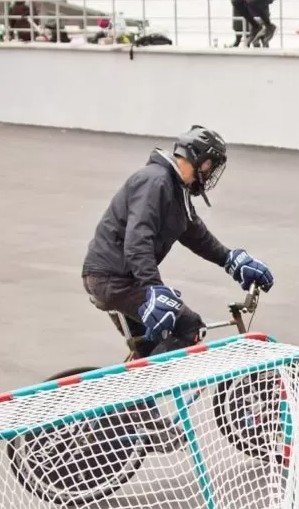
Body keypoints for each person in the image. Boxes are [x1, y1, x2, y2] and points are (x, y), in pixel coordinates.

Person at [81, 126, 275, 357]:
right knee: (190, 327)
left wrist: (230, 259)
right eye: (211, 165)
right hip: (113, 279)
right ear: (200, 160)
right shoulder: (156, 181)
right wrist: (154, 287)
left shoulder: (173, 187)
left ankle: (142, 390)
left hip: (118, 278)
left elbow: (195, 234)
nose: (211, 173)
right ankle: (141, 390)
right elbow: (138, 239)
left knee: (154, 349)